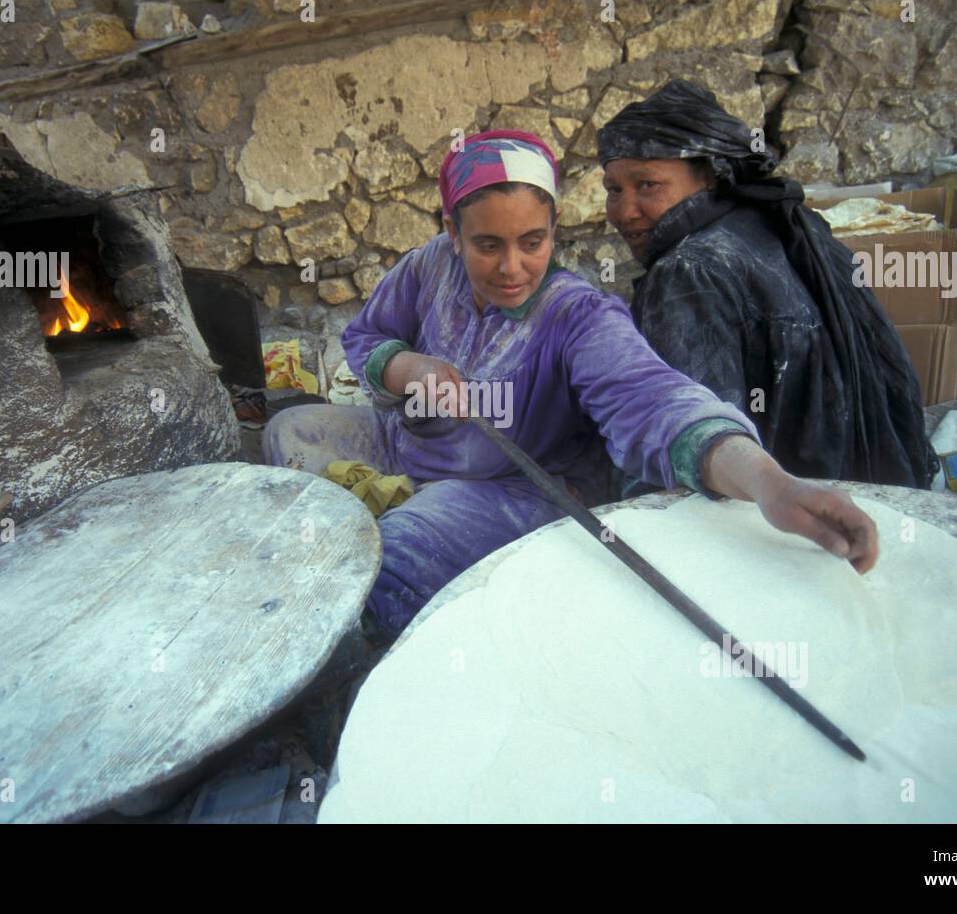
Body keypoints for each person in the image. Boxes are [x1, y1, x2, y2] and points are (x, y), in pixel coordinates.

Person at [263, 129, 879, 643]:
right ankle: (376, 521)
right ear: (452, 232)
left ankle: (363, 678)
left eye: (533, 242)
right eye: (487, 245)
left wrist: (767, 482)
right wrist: (406, 369)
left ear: (554, 229)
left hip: (513, 486)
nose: (512, 268)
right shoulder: (430, 265)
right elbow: (367, 336)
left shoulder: (578, 315)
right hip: (407, 443)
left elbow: (649, 397)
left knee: (393, 556)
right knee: (288, 430)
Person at [598, 79, 939, 491]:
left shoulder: (688, 271)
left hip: (777, 514)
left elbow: (689, 444)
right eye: (613, 189)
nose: (624, 211)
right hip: (864, 489)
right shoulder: (788, 225)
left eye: (647, 185)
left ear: (709, 176)